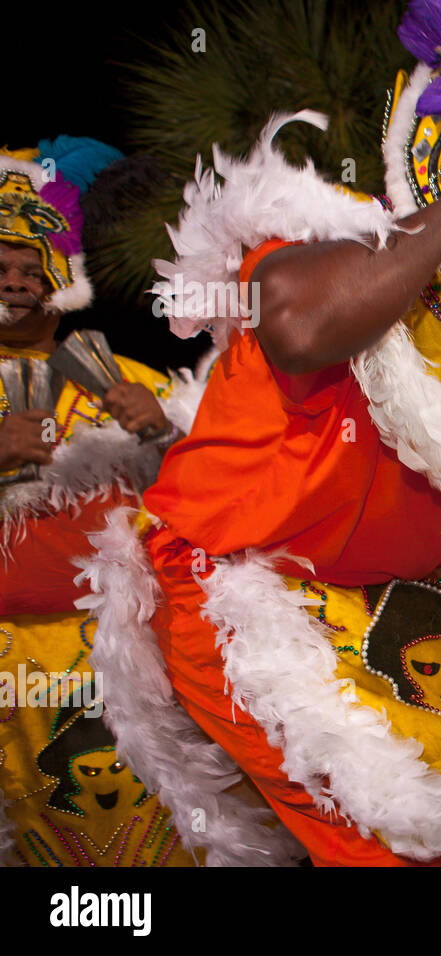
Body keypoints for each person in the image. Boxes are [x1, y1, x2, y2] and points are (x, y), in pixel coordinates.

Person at [79, 0, 441, 867]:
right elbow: (302, 332)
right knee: (404, 850)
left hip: (414, 596)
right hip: (244, 583)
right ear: (418, 148)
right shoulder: (324, 237)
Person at [0, 139, 218, 866]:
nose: (19, 282)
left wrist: (160, 430)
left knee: (160, 834)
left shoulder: (123, 375)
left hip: (131, 653)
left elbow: (216, 497)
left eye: (32, 269)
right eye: (1, 269)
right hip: (9, 663)